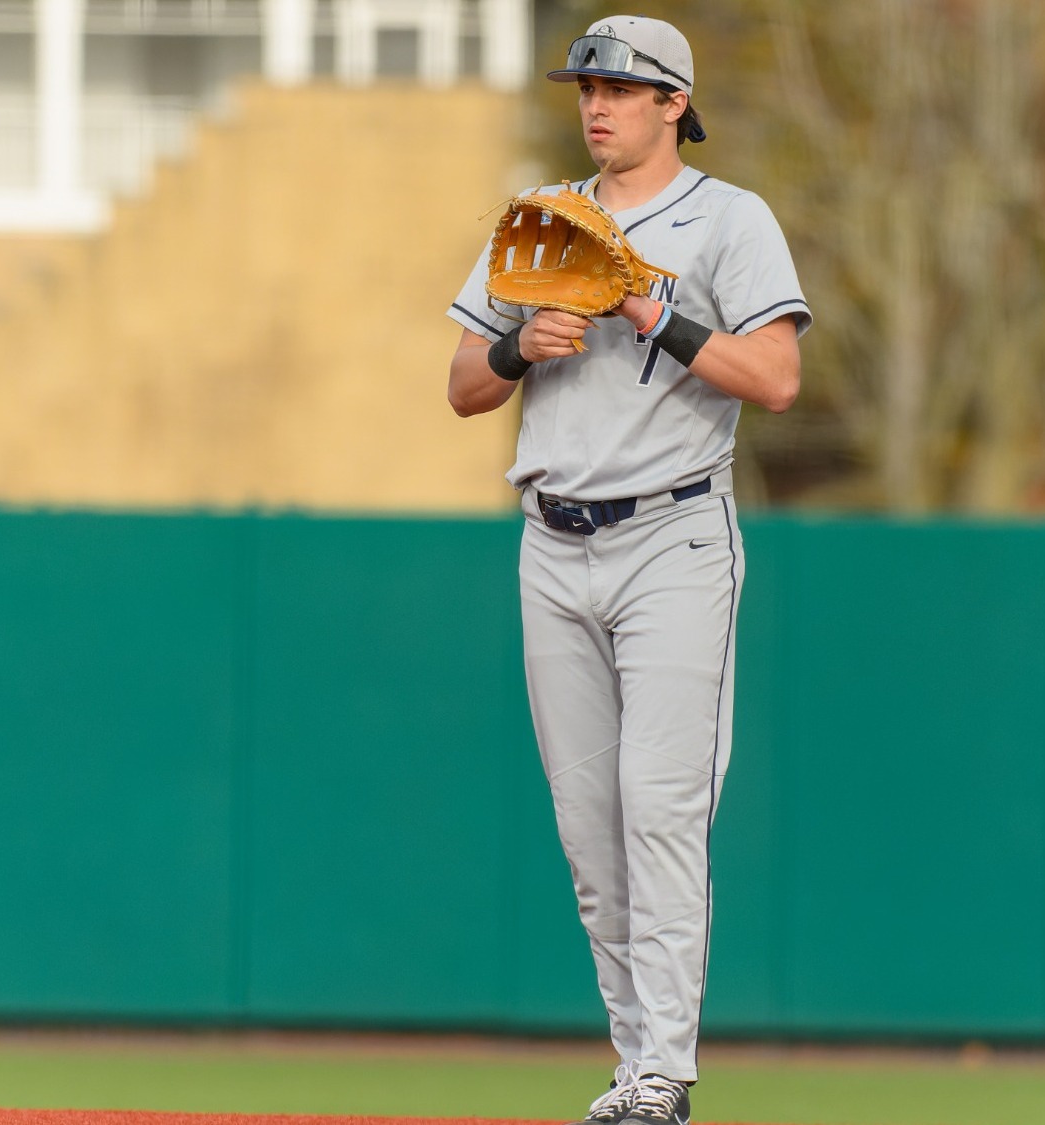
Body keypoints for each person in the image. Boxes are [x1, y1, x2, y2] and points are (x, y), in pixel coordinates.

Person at [443, 15, 809, 1125]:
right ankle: (632, 1066)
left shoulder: (727, 219)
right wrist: (517, 347)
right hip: (551, 541)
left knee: (657, 808)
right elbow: (462, 381)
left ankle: (665, 1074)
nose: (595, 103)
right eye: (585, 86)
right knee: (587, 830)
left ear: (671, 105)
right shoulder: (545, 219)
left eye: (618, 87)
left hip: (672, 538)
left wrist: (658, 313)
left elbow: (776, 377)